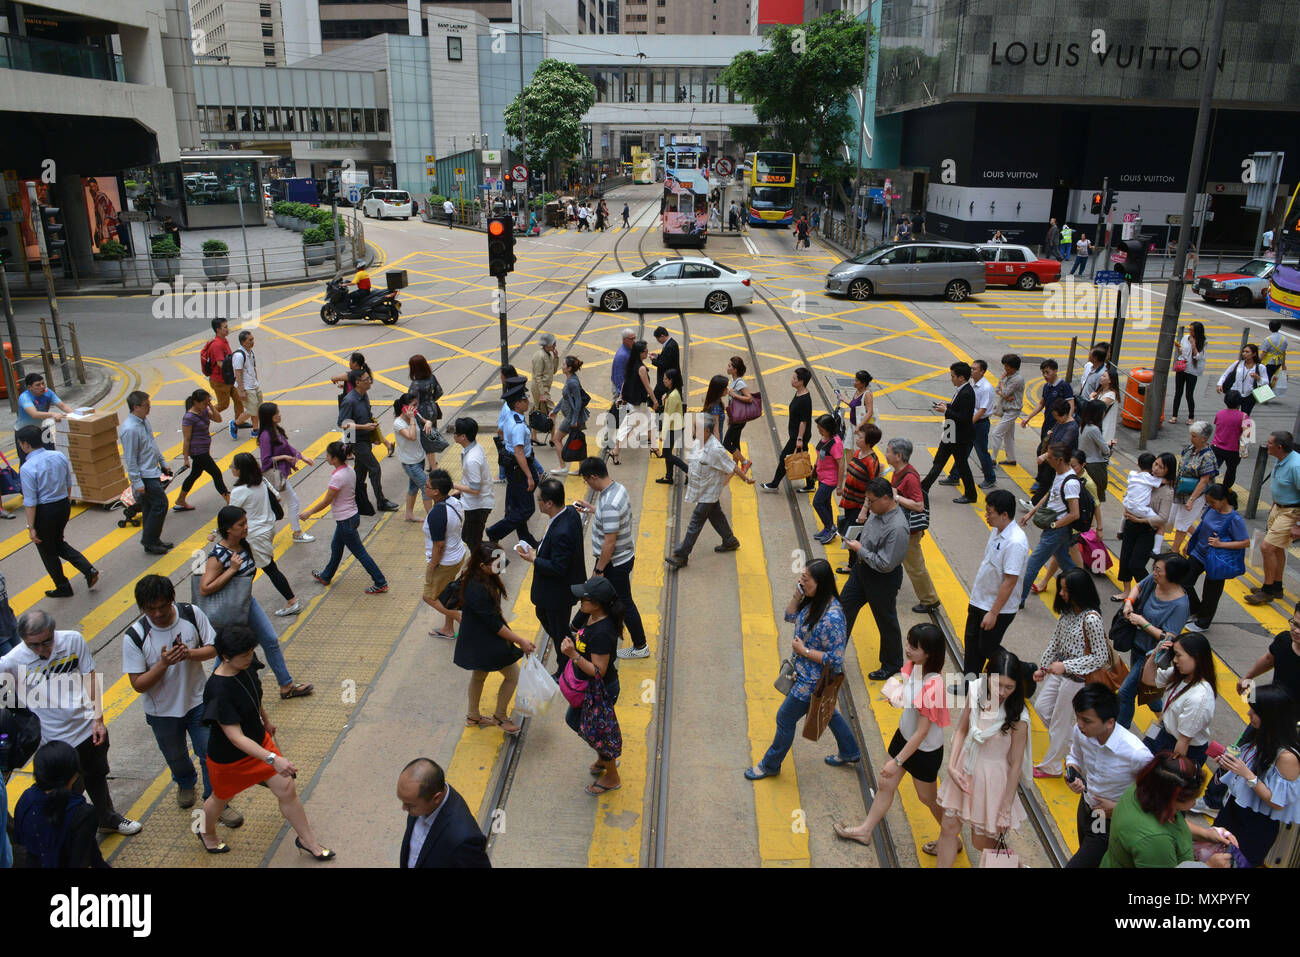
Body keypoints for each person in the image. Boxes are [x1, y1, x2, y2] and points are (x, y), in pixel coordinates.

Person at [0, 610, 142, 837]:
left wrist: (98, 719)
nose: (41, 650)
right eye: (33, 645)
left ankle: (108, 818)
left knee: (97, 775)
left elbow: (90, 677)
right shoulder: (13, 660)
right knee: (66, 791)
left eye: (46, 642)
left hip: (87, 727)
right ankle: (70, 835)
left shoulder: (73, 641)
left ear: (54, 631)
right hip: (53, 739)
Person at [197, 625, 333, 858]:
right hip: (230, 759)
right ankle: (206, 832)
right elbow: (235, 737)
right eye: (244, 655)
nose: (250, 658)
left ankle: (307, 840)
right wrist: (273, 758)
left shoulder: (246, 665)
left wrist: (266, 723)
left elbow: (254, 697)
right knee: (221, 798)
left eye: (251, 652)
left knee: (286, 787)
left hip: (260, 743)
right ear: (225, 657)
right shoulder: (218, 690)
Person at [123, 574, 244, 827]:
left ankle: (217, 799)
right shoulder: (135, 636)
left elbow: (213, 648)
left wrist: (189, 654)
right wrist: (163, 665)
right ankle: (185, 782)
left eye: (162, 607)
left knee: (209, 753)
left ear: (172, 600)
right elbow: (138, 684)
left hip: (199, 702)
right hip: (162, 712)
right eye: (150, 609)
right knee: (176, 756)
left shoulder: (191, 615)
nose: (157, 614)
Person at [834, 624, 948, 847]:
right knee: (886, 784)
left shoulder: (933, 686)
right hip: (904, 736)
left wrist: (897, 762)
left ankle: (950, 836)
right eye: (908, 642)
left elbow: (922, 732)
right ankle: (865, 831)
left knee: (927, 798)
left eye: (914, 647)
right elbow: (907, 685)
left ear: (929, 653)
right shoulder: (916, 665)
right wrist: (898, 695)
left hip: (924, 750)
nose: (907, 649)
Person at [746, 560, 861, 780]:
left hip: (811, 681)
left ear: (821, 583)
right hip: (802, 673)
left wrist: (804, 650)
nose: (801, 581)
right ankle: (850, 751)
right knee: (826, 711)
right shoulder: (812, 602)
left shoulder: (833, 618)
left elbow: (835, 660)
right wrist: (797, 595)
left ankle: (770, 764)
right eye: (802, 577)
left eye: (806, 579)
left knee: (784, 719)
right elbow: (789, 615)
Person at [200, 505, 313, 701]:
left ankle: (286, 685)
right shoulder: (217, 555)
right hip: (230, 610)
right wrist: (231, 570)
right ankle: (212, 695)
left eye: (246, 523)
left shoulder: (245, 545)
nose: (246, 527)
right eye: (240, 524)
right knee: (226, 652)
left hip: (247, 603)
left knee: (270, 640)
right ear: (228, 529)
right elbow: (205, 587)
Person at [935, 650, 1032, 866]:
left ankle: (1015, 866)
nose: (1002, 692)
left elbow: (1016, 763)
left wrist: (1005, 809)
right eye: (998, 684)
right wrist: (951, 767)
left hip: (993, 779)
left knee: (982, 842)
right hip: (964, 769)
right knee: (948, 829)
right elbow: (962, 729)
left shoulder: (1019, 716)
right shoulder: (977, 688)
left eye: (1009, 687)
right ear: (988, 677)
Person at [1063, 684, 1154, 867]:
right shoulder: (1081, 732)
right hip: (1086, 808)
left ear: (1110, 722)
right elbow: (1074, 756)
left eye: (1087, 720)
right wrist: (1074, 772)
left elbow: (1155, 796)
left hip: (1109, 821)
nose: (1080, 725)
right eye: (1078, 718)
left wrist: (1119, 808)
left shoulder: (1137, 754)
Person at [1032, 569, 1111, 776]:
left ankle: (1052, 766)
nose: (1061, 593)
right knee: (1042, 708)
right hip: (1060, 672)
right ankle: (1073, 745)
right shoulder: (1068, 612)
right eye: (1061, 589)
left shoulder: (1092, 619)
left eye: (1066, 590)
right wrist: (1044, 667)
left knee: (1060, 721)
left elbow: (1100, 656)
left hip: (1077, 678)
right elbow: (1055, 642)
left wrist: (1066, 666)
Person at [1212, 685, 1300, 867]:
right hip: (1232, 810)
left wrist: (1247, 775)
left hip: (1255, 826)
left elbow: (1277, 802)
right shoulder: (1258, 735)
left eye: (1255, 710)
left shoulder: (1287, 758)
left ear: (1271, 716)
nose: (1249, 713)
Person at [453, 542, 536, 735]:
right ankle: (500, 716)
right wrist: (520, 640)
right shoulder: (477, 589)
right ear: (482, 566)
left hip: (478, 638)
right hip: (486, 641)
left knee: (479, 675)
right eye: (497, 564)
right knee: (513, 676)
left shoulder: (479, 578)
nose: (502, 567)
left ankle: (472, 715)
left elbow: (494, 617)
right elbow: (494, 624)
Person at [1101, 753, 1237, 867]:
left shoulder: (1144, 790)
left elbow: (1173, 825)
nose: (1195, 802)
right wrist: (1208, 865)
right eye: (1192, 798)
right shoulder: (1155, 841)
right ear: (1171, 799)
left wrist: (1205, 834)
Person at [573, 456, 649, 658]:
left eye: (586, 480)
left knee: (623, 603)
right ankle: (577, 625)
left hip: (613, 562)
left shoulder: (609, 504)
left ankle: (641, 646)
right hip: (622, 556)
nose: (587, 484)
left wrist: (600, 569)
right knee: (601, 595)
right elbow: (612, 518)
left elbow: (609, 542)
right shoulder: (618, 489)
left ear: (593, 477)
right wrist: (592, 510)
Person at [558, 576, 624, 795]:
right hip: (588, 690)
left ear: (597, 603)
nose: (580, 602)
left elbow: (598, 671)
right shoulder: (592, 616)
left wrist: (573, 655)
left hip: (600, 691)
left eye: (584, 598)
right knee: (591, 729)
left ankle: (612, 776)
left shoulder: (603, 631)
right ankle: (603, 758)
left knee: (597, 733)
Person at [840, 478, 911, 680]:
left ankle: (891, 664)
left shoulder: (897, 528)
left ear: (887, 498)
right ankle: (833, 656)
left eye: (871, 501)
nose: (868, 505)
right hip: (861, 571)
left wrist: (860, 549)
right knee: (842, 610)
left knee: (885, 621)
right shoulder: (877, 510)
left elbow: (886, 564)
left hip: (882, 579)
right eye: (867, 501)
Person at [16, 426, 99, 598]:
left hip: (45, 511)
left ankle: (63, 586)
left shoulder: (27, 468)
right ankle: (88, 569)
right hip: (62, 505)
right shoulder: (58, 455)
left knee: (47, 550)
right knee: (57, 542)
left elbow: (30, 502)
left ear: (25, 444)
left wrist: (31, 527)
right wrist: (64, 503)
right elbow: (68, 482)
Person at [1115, 553, 1191, 731]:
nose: (1154, 572)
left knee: (1126, 693)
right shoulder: (1154, 580)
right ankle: (1166, 720)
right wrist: (1129, 602)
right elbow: (1138, 588)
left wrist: (1143, 622)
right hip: (1137, 645)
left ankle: (1119, 733)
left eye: (1159, 570)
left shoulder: (1180, 605)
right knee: (1146, 686)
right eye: (1155, 568)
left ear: (1172, 575)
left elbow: (1169, 638)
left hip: (1153, 655)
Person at [665, 413, 751, 568]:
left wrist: (745, 478)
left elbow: (731, 465)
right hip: (702, 488)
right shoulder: (699, 442)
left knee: (696, 521)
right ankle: (730, 540)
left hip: (709, 491)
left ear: (706, 431)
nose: (693, 429)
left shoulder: (716, 449)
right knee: (715, 515)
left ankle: (682, 555)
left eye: (696, 427)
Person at [301, 441, 388, 595]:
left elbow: (327, 500)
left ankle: (380, 581)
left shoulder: (338, 477)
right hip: (350, 517)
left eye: (328, 455)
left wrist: (309, 513)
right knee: (336, 547)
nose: (326, 457)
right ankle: (326, 576)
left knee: (360, 553)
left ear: (335, 459)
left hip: (345, 520)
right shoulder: (349, 471)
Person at [962, 490, 1028, 682]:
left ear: (1004, 515)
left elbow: (1010, 580)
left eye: (990, 512)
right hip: (980, 599)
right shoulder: (997, 530)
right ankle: (969, 684)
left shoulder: (1015, 542)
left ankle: (1023, 671)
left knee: (987, 648)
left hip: (997, 607)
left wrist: (993, 613)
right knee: (972, 643)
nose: (986, 515)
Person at [516, 478, 585, 662]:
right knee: (548, 620)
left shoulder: (562, 531)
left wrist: (534, 558)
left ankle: (566, 666)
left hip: (557, 593)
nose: (537, 502)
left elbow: (558, 567)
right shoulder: (570, 512)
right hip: (558, 590)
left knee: (559, 632)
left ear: (549, 503)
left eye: (539, 499)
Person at [12, 742, 108, 867]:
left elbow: (19, 840)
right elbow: (81, 859)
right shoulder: (83, 814)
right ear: (74, 775)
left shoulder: (26, 799)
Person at [228, 453, 300, 617]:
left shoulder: (239, 491)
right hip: (267, 529)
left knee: (268, 568)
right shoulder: (262, 482)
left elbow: (231, 516)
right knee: (249, 567)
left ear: (240, 470)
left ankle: (292, 601)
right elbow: (278, 498)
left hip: (253, 535)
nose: (231, 468)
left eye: (233, 466)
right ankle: (237, 602)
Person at [1139, 632, 1217, 768]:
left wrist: (1171, 768)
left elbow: (1183, 743)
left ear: (1196, 658)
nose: (1174, 660)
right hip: (1163, 732)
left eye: (1178, 655)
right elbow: (1149, 680)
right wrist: (1154, 654)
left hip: (1180, 747)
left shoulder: (1199, 698)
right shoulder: (1181, 675)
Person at [1017, 444, 1081, 607]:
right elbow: (1049, 494)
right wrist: (1031, 513)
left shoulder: (1070, 482)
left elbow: (1075, 514)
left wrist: (1054, 525)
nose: (1047, 460)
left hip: (1056, 531)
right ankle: (1083, 590)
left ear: (1060, 460)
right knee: (1066, 564)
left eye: (1050, 457)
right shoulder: (1059, 473)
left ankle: (1019, 600)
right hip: (1056, 530)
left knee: (1033, 564)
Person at [1180, 484, 1249, 633]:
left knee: (1211, 593)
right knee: (1183, 581)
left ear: (1223, 500)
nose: (1210, 505)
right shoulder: (1211, 509)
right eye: (1208, 502)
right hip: (1199, 552)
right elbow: (1202, 527)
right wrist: (1189, 543)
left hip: (1217, 559)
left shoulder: (1234, 519)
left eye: (1212, 502)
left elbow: (1245, 542)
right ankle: (1196, 609)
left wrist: (1221, 544)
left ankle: (1203, 622)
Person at [397, 757, 490, 868]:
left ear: (436, 798)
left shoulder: (464, 839)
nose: (404, 808)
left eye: (410, 805)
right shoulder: (418, 800)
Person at [886, 437, 941, 615]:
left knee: (915, 567)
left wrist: (896, 497)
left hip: (910, 530)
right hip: (900, 526)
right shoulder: (898, 471)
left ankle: (930, 600)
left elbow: (919, 505)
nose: (886, 454)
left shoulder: (909, 477)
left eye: (888, 451)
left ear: (899, 456)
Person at [1247, 431, 1300, 606]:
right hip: (1279, 508)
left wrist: (1298, 525)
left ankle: (1267, 590)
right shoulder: (1281, 459)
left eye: (1269, 443)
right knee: (1277, 548)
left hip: (1291, 512)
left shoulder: (1295, 466)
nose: (1266, 445)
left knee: (1267, 547)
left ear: (1279, 447)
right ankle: (1277, 587)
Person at [1115, 451, 1176, 597]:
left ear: (1168, 471)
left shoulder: (1167, 491)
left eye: (1161, 467)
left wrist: (1141, 520)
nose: (1155, 469)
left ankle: (1150, 592)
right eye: (1155, 464)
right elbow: (1130, 494)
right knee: (1124, 559)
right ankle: (1126, 591)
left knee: (1136, 565)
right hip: (1131, 523)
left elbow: (1163, 517)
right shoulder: (1144, 478)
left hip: (1147, 530)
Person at [486, 382, 539, 548]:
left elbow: (501, 431)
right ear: (517, 404)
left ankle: (526, 539)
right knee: (526, 509)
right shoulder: (517, 426)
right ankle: (495, 531)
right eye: (525, 398)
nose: (528, 400)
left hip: (513, 468)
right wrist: (529, 476)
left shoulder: (509, 415)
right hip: (520, 469)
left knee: (515, 507)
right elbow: (519, 452)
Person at [339, 369, 399, 512]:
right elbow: (343, 423)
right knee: (375, 468)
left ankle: (355, 501)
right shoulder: (349, 400)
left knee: (359, 474)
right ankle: (381, 501)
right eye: (366, 379)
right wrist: (362, 427)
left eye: (369, 378)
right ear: (358, 382)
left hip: (366, 439)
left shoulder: (364, 395)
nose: (370, 381)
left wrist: (374, 433)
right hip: (357, 441)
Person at [120, 390, 172, 554]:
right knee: (161, 504)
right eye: (146, 405)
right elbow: (130, 458)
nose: (149, 408)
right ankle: (149, 540)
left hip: (153, 471)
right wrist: (137, 482)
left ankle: (152, 540)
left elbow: (151, 444)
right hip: (144, 476)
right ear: (136, 407)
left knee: (149, 507)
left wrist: (162, 463)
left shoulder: (143, 422)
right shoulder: (130, 430)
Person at [256, 402, 314, 544]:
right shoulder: (265, 435)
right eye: (276, 413)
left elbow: (288, 447)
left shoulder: (277, 430)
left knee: (273, 506)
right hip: (274, 475)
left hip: (280, 474)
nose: (279, 415)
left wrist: (302, 457)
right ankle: (297, 533)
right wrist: (283, 457)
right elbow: (265, 460)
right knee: (292, 501)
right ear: (269, 417)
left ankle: (258, 533)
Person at [420, 469, 467, 640]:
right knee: (448, 594)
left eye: (427, 486)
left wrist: (432, 565)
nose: (424, 488)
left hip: (444, 562)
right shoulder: (454, 502)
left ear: (436, 491)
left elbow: (439, 545)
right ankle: (448, 629)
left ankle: (462, 619)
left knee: (429, 596)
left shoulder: (437, 514)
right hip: (458, 555)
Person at [921, 361, 977, 504]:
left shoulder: (967, 393)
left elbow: (964, 418)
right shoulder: (961, 389)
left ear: (961, 377)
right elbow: (958, 409)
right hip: (951, 431)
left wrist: (946, 411)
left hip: (959, 436)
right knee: (939, 461)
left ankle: (971, 495)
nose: (951, 378)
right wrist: (947, 405)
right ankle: (924, 487)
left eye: (953, 376)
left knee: (962, 465)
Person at [942, 359, 996, 491]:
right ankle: (955, 475)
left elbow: (982, 410)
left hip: (979, 424)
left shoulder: (986, 388)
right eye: (971, 368)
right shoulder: (971, 384)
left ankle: (990, 478)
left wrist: (968, 424)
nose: (971, 371)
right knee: (962, 451)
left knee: (982, 452)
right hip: (970, 423)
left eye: (974, 369)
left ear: (982, 371)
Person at [760, 368, 814, 492]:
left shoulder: (805, 399)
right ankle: (810, 483)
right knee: (803, 458)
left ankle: (774, 484)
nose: (792, 380)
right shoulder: (799, 393)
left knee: (784, 457)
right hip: (796, 434)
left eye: (795, 378)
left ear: (801, 382)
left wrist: (799, 439)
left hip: (799, 435)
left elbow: (804, 421)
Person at [173, 390, 227, 512]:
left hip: (204, 449)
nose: (206, 405)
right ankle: (229, 500)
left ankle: (180, 500)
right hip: (197, 452)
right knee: (216, 473)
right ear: (195, 402)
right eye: (204, 402)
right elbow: (186, 439)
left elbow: (219, 419)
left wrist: (211, 406)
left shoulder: (204, 411)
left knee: (195, 474)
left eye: (208, 402)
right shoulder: (189, 417)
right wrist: (186, 458)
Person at [1170, 421, 1219, 555]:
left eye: (1194, 436)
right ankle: (1196, 537)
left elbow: (1204, 480)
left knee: (1182, 524)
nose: (1191, 438)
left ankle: (1174, 551)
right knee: (1177, 518)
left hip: (1196, 494)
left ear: (1204, 438)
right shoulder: (1189, 449)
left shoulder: (1208, 456)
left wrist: (1192, 499)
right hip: (1181, 490)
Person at [1237, 603, 1300, 703]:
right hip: (1279, 707)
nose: (1296, 631)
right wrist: (1248, 677)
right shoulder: (1283, 640)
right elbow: (1269, 659)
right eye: (1295, 624)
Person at [836, 422, 882, 548]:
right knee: (849, 534)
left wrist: (864, 510)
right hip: (849, 501)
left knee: (854, 536)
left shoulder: (872, 461)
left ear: (869, 441)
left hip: (859, 505)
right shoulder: (858, 453)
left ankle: (854, 565)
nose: (858, 439)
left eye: (861, 437)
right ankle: (851, 565)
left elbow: (873, 487)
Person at [452, 418, 494, 553]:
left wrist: (454, 485)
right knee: (468, 537)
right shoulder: (474, 448)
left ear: (463, 436)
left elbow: (475, 489)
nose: (453, 434)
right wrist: (460, 492)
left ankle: (495, 563)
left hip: (478, 506)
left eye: (455, 432)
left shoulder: (472, 459)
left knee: (473, 542)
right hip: (475, 504)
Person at [14, 373, 72, 464]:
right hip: (25, 432)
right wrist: (53, 414)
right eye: (38, 385)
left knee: (52, 455)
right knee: (26, 460)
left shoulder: (47, 392)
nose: (42, 387)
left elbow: (62, 405)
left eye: (43, 383)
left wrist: (76, 416)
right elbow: (34, 414)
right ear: (29, 387)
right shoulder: (24, 397)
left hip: (42, 429)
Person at [394, 395, 433, 523]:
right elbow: (412, 436)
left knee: (413, 487)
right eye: (413, 405)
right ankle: (432, 519)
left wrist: (428, 422)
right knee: (427, 488)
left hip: (420, 458)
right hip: (410, 463)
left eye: (416, 405)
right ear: (404, 407)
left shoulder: (415, 415)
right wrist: (411, 419)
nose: (416, 408)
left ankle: (409, 515)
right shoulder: (398, 423)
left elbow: (425, 420)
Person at [1029, 399, 1079, 499]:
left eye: (1057, 416)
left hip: (1060, 460)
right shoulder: (1060, 422)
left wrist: (1045, 455)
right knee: (1046, 482)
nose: (1056, 418)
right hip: (1053, 458)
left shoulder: (1072, 427)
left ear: (1065, 414)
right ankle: (1035, 503)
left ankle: (1034, 503)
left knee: (1047, 483)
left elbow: (1062, 445)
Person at [617, 339, 659, 457]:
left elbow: (625, 382)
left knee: (651, 424)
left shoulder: (631, 363)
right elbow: (648, 387)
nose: (647, 353)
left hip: (636, 402)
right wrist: (655, 401)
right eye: (646, 351)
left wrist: (621, 397)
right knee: (626, 428)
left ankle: (655, 448)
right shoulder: (641, 368)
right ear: (640, 353)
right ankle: (615, 452)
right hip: (638, 404)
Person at [809, 414, 846, 544]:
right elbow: (820, 454)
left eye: (821, 428)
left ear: (829, 428)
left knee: (817, 502)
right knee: (825, 503)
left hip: (830, 480)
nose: (819, 431)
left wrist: (840, 486)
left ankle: (831, 528)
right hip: (821, 475)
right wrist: (815, 467)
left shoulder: (836, 443)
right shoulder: (825, 437)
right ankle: (827, 528)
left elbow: (841, 464)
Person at [550, 356, 590, 475]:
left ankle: (563, 466)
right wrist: (556, 410)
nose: (561, 367)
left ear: (569, 368)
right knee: (578, 440)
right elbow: (566, 397)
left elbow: (578, 402)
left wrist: (573, 420)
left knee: (556, 439)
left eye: (563, 365)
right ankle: (582, 469)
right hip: (573, 416)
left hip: (572, 417)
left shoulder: (572, 382)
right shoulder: (570, 379)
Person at [1020, 358, 1074, 442]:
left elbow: (1071, 405)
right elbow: (1041, 404)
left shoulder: (1064, 386)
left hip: (1058, 423)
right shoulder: (1046, 386)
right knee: (1043, 446)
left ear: (1055, 371)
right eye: (1043, 373)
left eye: (1047, 372)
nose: (1045, 375)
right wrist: (1028, 417)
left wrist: (1067, 423)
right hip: (1047, 421)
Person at [408, 354, 445, 471]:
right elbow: (439, 392)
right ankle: (432, 462)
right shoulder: (432, 377)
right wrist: (431, 400)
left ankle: (433, 467)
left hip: (422, 413)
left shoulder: (415, 384)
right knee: (431, 434)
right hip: (433, 409)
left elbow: (411, 400)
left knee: (425, 439)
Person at [653, 368, 690, 485]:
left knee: (667, 454)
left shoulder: (673, 395)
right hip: (674, 427)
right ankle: (668, 477)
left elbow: (668, 416)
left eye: (665, 379)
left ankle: (689, 470)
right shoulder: (671, 392)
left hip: (674, 428)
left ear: (671, 380)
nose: (663, 380)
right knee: (667, 452)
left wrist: (662, 434)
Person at [720, 357, 757, 473]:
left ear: (735, 369)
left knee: (726, 443)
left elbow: (749, 398)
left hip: (739, 419)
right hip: (735, 417)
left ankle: (745, 462)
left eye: (730, 366)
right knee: (735, 442)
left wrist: (734, 395)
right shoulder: (734, 380)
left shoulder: (740, 382)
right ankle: (736, 468)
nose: (727, 367)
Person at [202, 318, 240, 426]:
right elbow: (220, 363)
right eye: (225, 327)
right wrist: (236, 368)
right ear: (218, 329)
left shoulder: (223, 340)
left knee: (239, 399)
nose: (228, 329)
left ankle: (239, 422)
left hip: (229, 378)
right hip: (220, 380)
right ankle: (203, 415)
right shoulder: (217, 345)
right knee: (223, 404)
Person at [606, 330, 636, 462]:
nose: (634, 341)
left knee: (621, 416)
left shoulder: (628, 350)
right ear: (624, 340)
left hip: (625, 389)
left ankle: (612, 438)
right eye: (631, 339)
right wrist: (621, 396)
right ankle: (610, 439)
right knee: (618, 414)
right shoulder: (622, 355)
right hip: (620, 390)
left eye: (635, 338)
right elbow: (619, 378)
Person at [989, 353, 1024, 467]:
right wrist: (1004, 393)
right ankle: (1011, 459)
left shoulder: (1017, 379)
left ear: (1013, 367)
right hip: (1007, 409)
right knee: (1008, 435)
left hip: (1012, 410)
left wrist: (1003, 388)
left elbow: (1003, 391)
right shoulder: (1009, 376)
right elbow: (998, 389)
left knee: (996, 433)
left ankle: (992, 459)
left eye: (1006, 366)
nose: (1005, 368)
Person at [1210, 389, 1249, 490]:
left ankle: (1208, 487)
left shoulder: (1219, 413)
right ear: (1239, 402)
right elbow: (1248, 434)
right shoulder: (1244, 416)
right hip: (1234, 450)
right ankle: (1225, 490)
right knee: (1231, 470)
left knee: (1212, 469)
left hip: (1217, 447)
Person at [1170, 321, 1206, 422]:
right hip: (1182, 368)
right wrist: (1179, 349)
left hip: (1192, 371)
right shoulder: (1185, 337)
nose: (1190, 332)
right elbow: (1182, 352)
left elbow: (1199, 357)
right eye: (1189, 329)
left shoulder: (1203, 342)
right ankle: (1174, 416)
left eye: (1192, 330)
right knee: (1178, 392)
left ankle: (1191, 417)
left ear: (1197, 332)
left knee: (1189, 394)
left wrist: (1194, 345)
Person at [228, 330, 261, 437]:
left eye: (253, 339)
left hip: (254, 384)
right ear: (243, 342)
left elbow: (253, 368)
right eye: (250, 340)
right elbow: (237, 373)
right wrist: (241, 390)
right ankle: (235, 424)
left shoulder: (250, 352)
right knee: (252, 409)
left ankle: (255, 430)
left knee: (257, 408)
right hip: (246, 387)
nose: (252, 341)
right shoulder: (239, 355)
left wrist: (256, 381)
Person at [1217, 343, 1265, 416]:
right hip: (1235, 394)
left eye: (1247, 352)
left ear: (1254, 354)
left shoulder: (1260, 367)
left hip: (1250, 395)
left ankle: (1243, 427)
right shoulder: (1238, 363)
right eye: (1243, 351)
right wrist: (1220, 384)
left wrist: (1258, 378)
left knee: (1245, 417)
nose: (1244, 354)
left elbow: (1266, 382)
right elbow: (1226, 374)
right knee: (1232, 414)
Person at [531, 334, 560, 444]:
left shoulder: (548, 354)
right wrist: (542, 393)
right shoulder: (540, 356)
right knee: (553, 411)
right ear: (547, 345)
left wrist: (556, 358)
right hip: (540, 388)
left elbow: (553, 371)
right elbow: (538, 376)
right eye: (553, 344)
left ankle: (533, 436)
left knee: (536, 411)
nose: (555, 346)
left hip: (543, 388)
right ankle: (553, 438)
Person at [649, 325, 680, 411]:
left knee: (656, 399)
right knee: (657, 398)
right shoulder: (671, 343)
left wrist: (653, 360)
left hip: (667, 380)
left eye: (658, 339)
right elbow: (667, 358)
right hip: (667, 379)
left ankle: (660, 415)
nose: (658, 341)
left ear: (662, 336)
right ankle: (660, 413)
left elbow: (664, 364)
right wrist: (658, 356)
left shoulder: (670, 346)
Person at [1090, 368, 1120, 446]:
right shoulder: (1101, 392)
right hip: (1098, 427)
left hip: (1105, 429)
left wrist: (1091, 398)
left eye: (1104, 376)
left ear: (1110, 381)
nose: (1101, 377)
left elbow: (1097, 407)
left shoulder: (1111, 395)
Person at [1262, 319, 1288, 387]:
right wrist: (1283, 365)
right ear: (1279, 327)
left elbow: (1263, 354)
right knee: (1273, 379)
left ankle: (1265, 393)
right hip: (1278, 363)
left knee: (1265, 379)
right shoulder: (1284, 339)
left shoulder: (1267, 339)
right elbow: (1284, 353)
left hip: (1268, 363)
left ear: (1269, 327)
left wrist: (1256, 362)